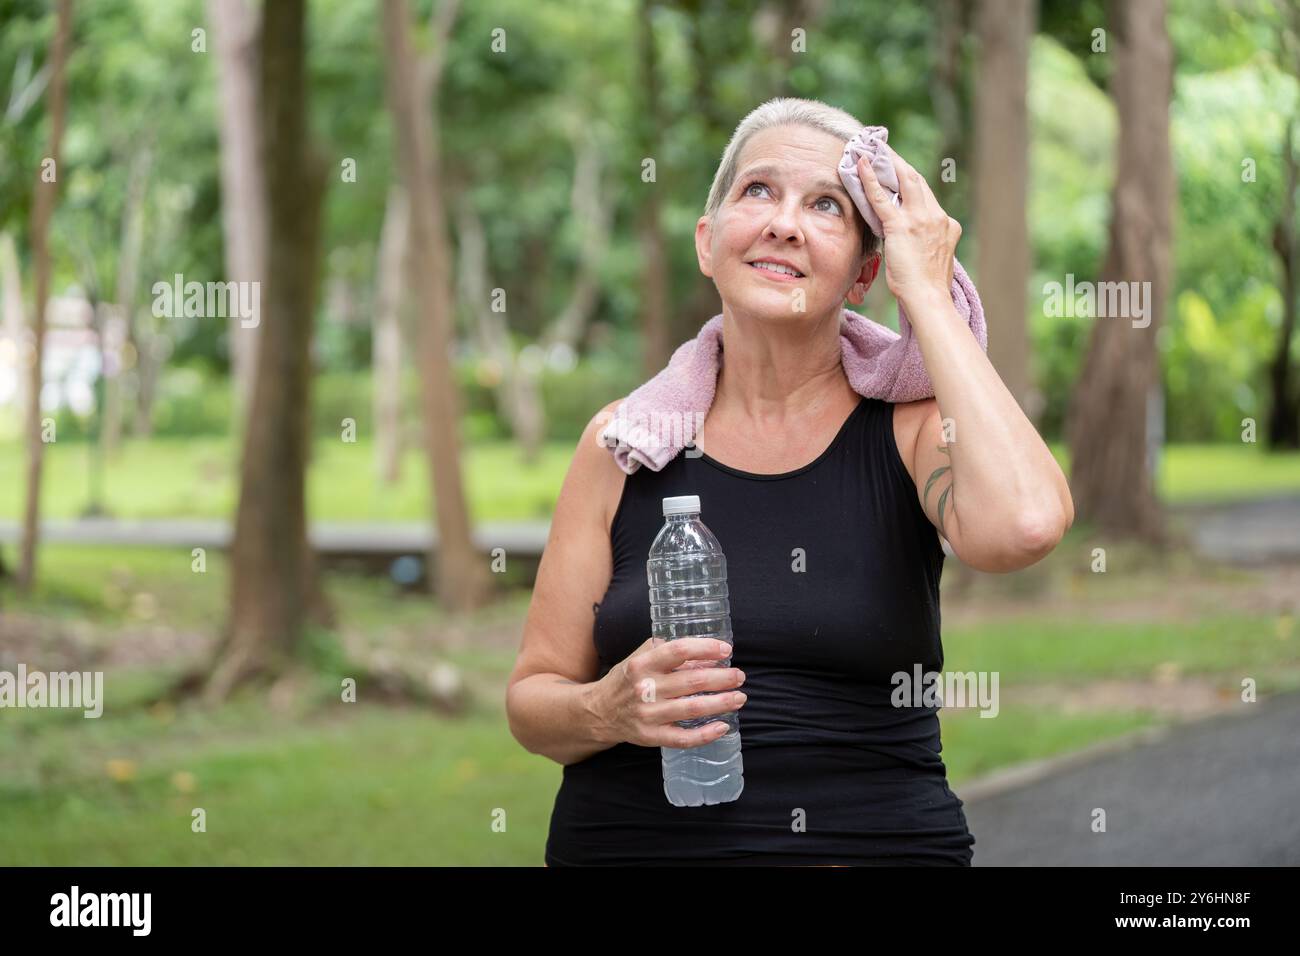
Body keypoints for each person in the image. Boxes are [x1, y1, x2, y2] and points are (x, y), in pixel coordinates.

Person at [506, 97, 1074, 866]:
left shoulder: (909, 432)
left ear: (866, 271)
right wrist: (608, 710)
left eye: (827, 206)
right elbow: (535, 702)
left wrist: (929, 295)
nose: (784, 223)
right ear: (708, 244)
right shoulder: (624, 443)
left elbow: (1028, 524)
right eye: (758, 191)